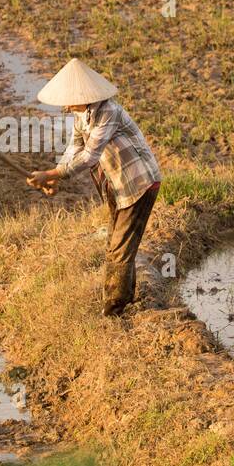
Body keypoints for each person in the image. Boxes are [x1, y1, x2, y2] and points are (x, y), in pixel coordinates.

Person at [26, 59, 161, 317]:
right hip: (117, 186)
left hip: (138, 183)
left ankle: (114, 310)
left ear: (84, 96)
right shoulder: (82, 115)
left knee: (120, 250)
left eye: (69, 99)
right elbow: (73, 149)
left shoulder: (108, 111)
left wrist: (52, 174)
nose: (65, 106)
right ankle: (125, 299)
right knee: (116, 244)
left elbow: (89, 155)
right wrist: (54, 176)